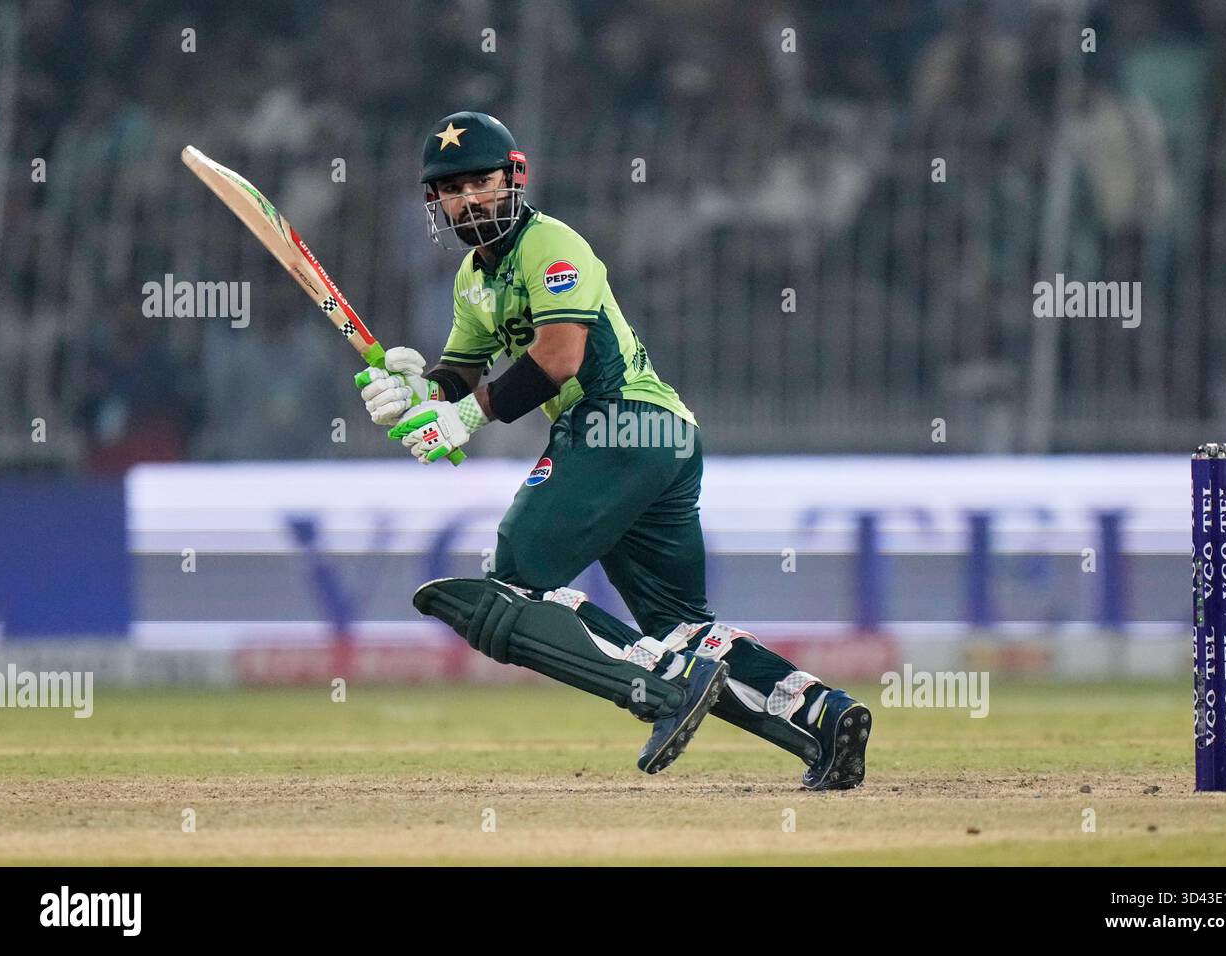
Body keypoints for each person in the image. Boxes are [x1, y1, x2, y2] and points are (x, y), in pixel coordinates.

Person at [357, 111, 871, 789]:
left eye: (481, 181)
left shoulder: (551, 244)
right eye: (452, 189)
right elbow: (461, 370)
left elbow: (561, 358)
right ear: (436, 202)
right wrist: (417, 388)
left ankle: (662, 688)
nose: (469, 199)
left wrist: (466, 418)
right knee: (680, 626)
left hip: (618, 424)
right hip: (658, 439)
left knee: (513, 581)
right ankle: (824, 718)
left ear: (514, 179)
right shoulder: (472, 281)